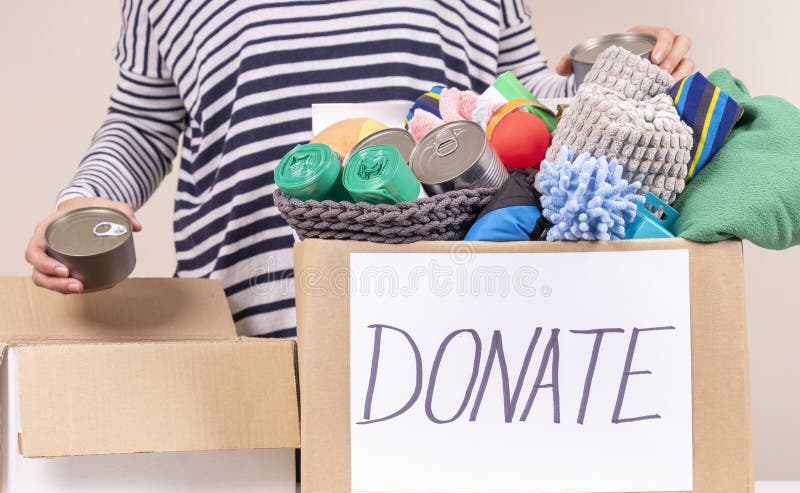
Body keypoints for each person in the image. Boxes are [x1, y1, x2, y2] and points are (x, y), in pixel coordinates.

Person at [25, 0, 693, 338]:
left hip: (449, 331)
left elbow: (518, 104)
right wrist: (87, 198)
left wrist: (626, 76)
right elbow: (142, 124)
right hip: (252, 331)